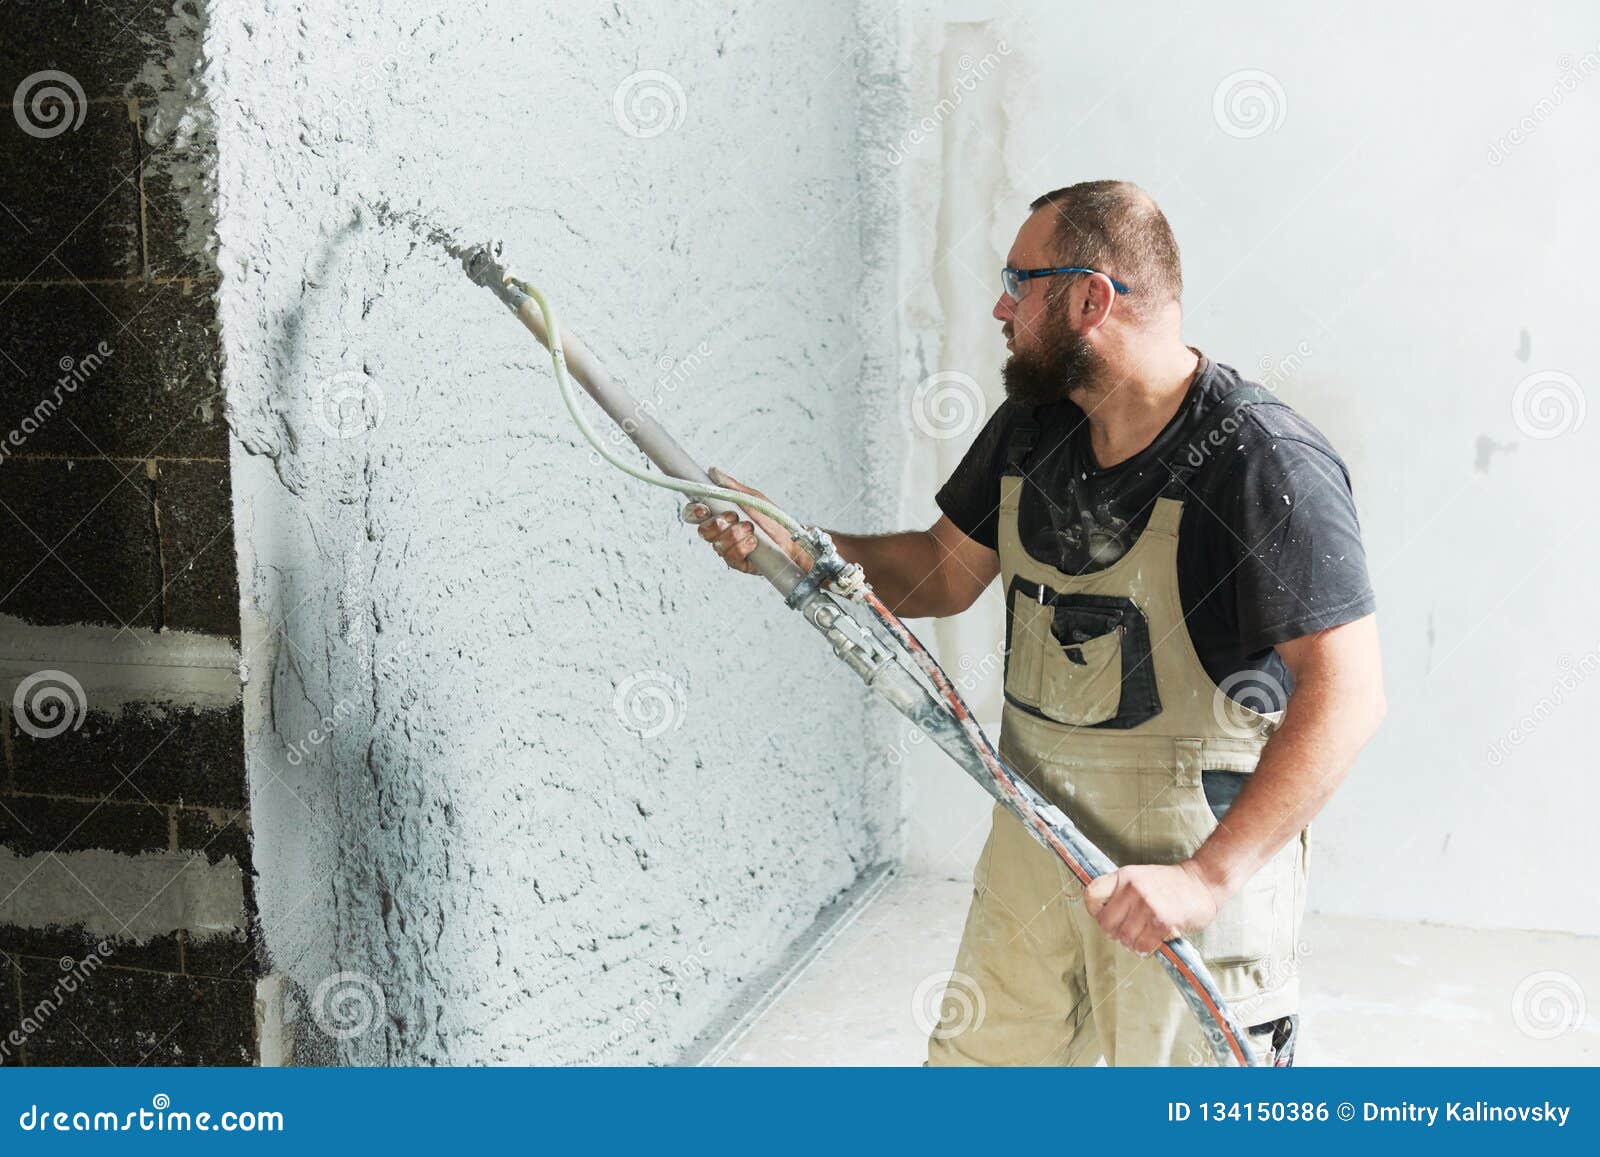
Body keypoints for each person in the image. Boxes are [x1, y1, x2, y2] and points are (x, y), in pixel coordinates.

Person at [691, 180, 1385, 1066]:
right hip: (1035, 855)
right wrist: (795, 543)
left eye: (1020, 281)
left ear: (1091, 298)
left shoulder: (1259, 461)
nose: (1000, 305)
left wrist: (1205, 881)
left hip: (1179, 885)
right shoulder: (1034, 428)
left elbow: (1351, 693)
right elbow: (938, 572)